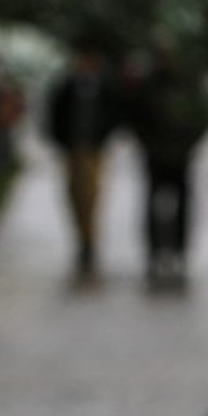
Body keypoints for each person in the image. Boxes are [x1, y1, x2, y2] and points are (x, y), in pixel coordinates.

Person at [124, 44, 208, 287]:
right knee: (152, 205)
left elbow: (202, 116)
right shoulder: (149, 83)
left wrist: (189, 145)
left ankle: (179, 254)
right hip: (155, 156)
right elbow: (136, 116)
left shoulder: (188, 83)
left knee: (182, 206)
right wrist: (147, 144)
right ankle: (153, 254)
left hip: (181, 157)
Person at [48, 39, 119, 278]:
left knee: (91, 194)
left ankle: (89, 240)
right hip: (72, 149)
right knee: (74, 194)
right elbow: (54, 116)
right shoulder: (67, 86)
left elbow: (113, 115)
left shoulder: (104, 87)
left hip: (93, 149)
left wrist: (101, 139)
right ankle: (83, 238)